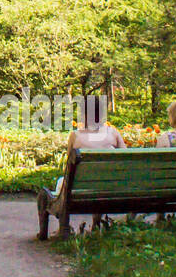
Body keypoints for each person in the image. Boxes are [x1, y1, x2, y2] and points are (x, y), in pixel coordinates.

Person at [37, 95, 125, 237]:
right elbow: (125, 160)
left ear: (84, 114)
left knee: (62, 183)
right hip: (109, 190)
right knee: (101, 179)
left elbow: (68, 166)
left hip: (79, 191)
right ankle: (96, 223)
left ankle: (64, 228)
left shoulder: (76, 136)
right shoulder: (113, 134)